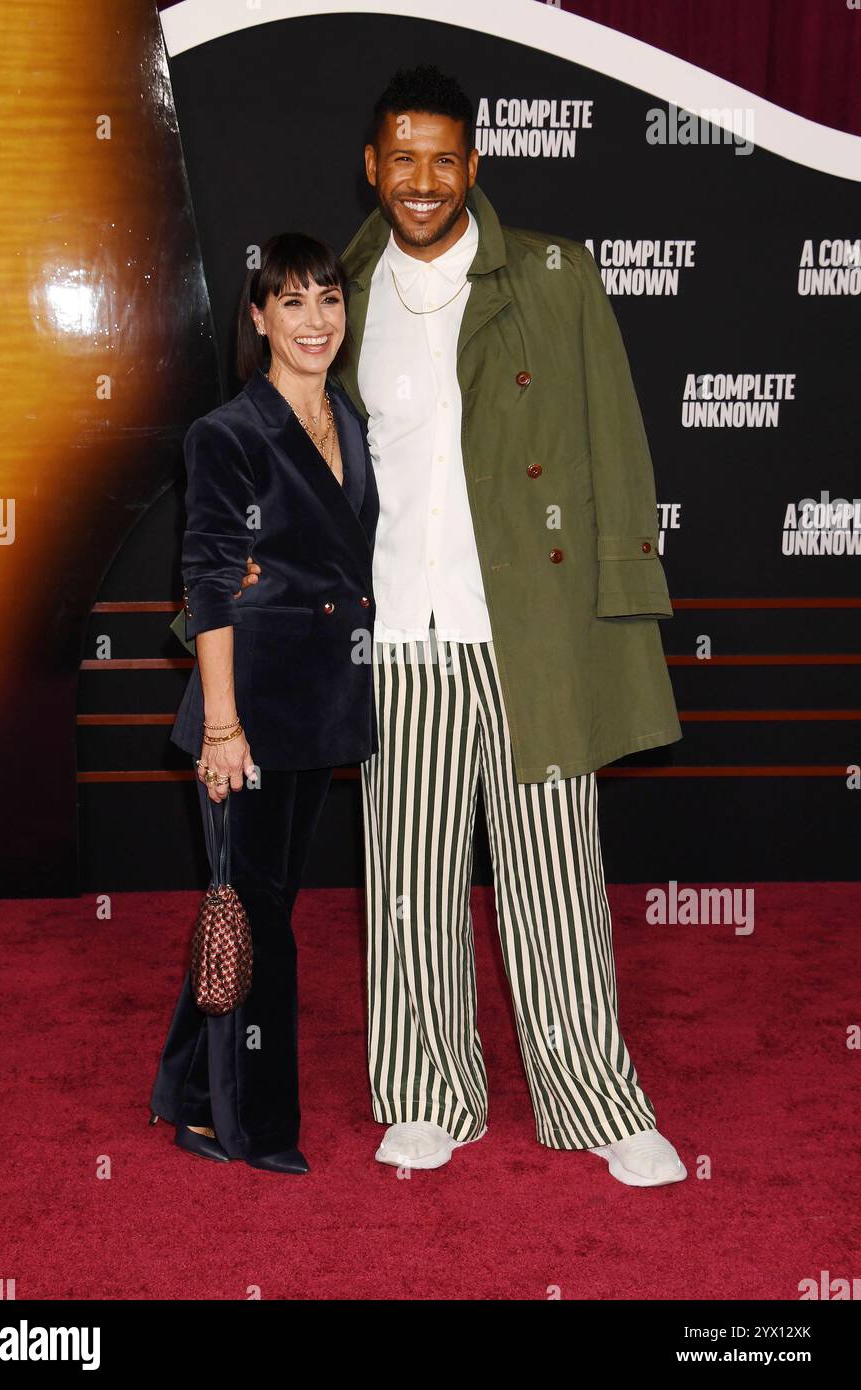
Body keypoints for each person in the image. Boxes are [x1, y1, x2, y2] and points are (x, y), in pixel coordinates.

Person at [240, 66, 687, 1188]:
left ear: (473, 166)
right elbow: (288, 457)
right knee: (408, 877)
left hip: (524, 629)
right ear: (373, 167)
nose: (424, 180)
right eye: (403, 157)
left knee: (556, 875)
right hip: (399, 638)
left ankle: (593, 1097)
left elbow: (616, 444)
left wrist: (622, 599)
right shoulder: (339, 289)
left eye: (445, 158)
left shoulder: (550, 275)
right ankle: (431, 1089)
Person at [148, 233, 378, 1175]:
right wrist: (221, 725)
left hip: (321, 702)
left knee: (254, 900)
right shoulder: (228, 433)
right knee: (262, 919)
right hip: (244, 712)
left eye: (328, 299)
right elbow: (207, 582)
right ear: (257, 317)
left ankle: (184, 1090)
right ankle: (246, 1123)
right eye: (292, 302)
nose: (315, 320)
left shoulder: (350, 418)